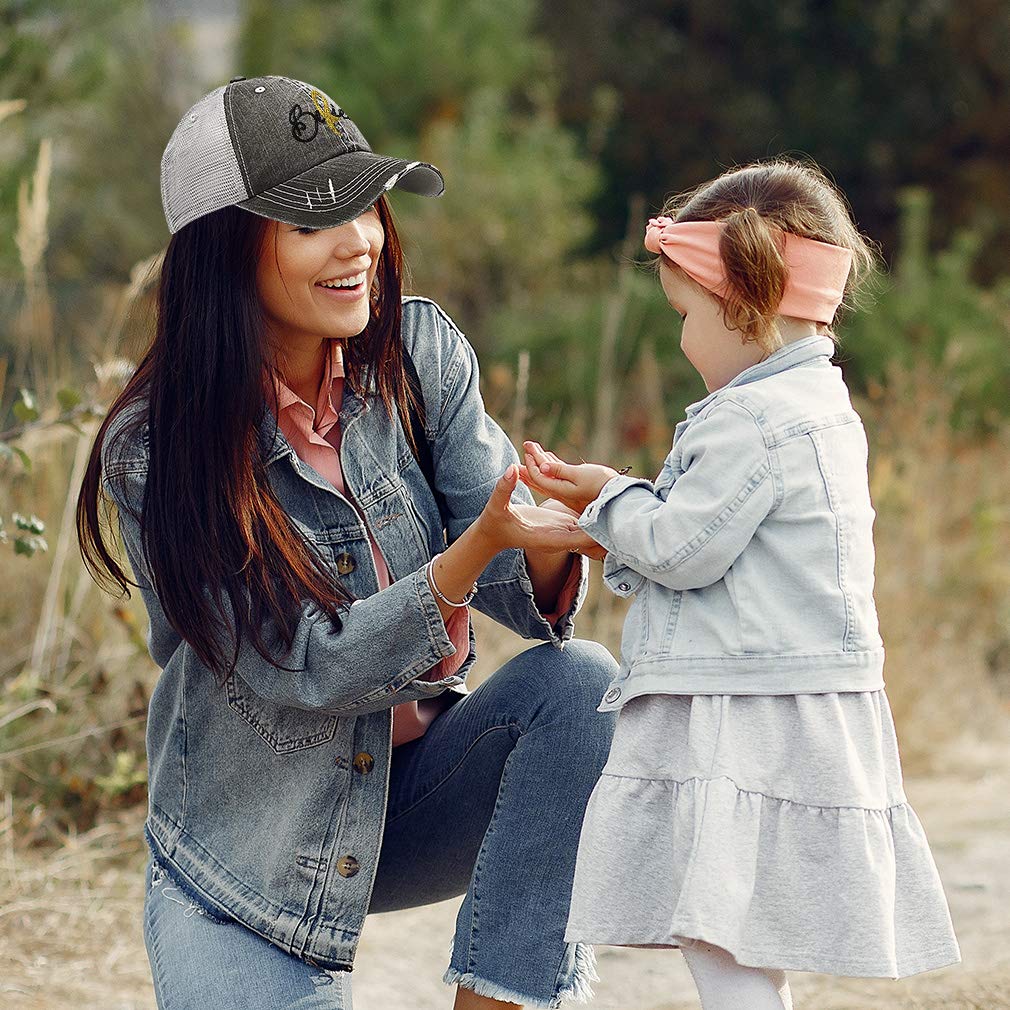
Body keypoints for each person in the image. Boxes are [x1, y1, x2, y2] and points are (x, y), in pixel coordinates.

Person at [76, 75, 618, 1010]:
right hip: (251, 855)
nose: (360, 240)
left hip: (411, 794)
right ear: (222, 252)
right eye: (311, 220)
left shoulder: (417, 355)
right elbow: (300, 666)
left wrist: (539, 538)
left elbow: (513, 583)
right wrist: (466, 555)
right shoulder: (157, 450)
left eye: (365, 203)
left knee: (585, 691)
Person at [519, 159, 961, 1010]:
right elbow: (713, 535)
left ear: (747, 304)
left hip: (741, 711)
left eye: (686, 315)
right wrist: (612, 498)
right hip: (789, 694)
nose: (682, 340)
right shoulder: (819, 405)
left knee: (717, 924)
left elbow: (683, 549)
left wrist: (612, 502)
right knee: (738, 929)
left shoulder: (752, 421)